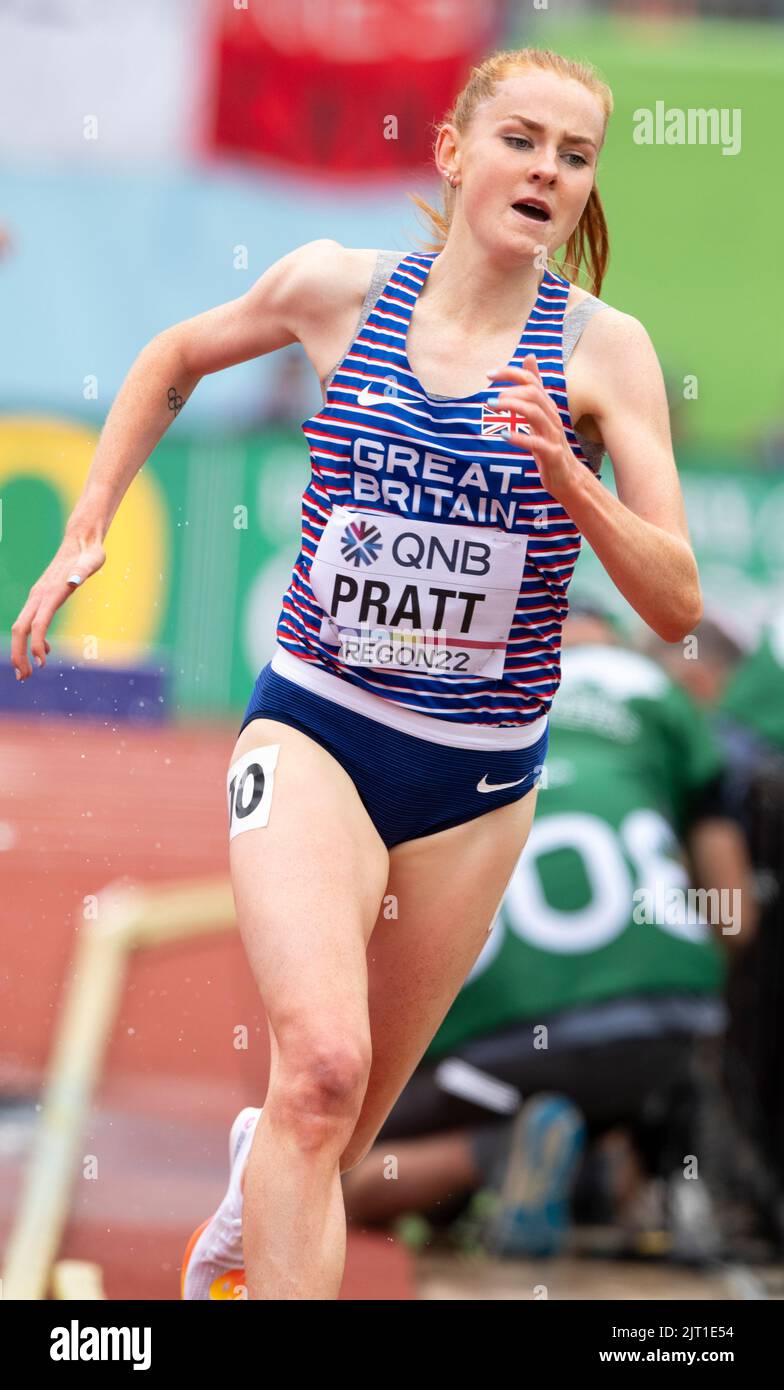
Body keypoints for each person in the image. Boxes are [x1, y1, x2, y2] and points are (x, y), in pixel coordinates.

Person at [10, 47, 702, 1300]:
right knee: (321, 1071)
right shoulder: (338, 290)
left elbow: (674, 602)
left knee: (336, 1135)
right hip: (318, 730)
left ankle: (251, 1194)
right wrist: (87, 525)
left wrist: (570, 475)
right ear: (452, 151)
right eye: (522, 139)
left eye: (575, 154)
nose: (546, 169)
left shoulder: (607, 353)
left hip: (479, 782)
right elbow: (172, 357)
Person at [337, 606, 757, 1262]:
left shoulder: (466, 699)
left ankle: (496, 1151)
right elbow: (735, 915)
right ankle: (609, 1165)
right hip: (669, 1019)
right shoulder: (662, 700)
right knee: (618, 1084)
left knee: (341, 1175)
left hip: (507, 1033)